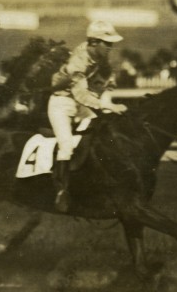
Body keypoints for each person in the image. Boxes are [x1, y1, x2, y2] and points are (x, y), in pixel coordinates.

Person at [48, 20, 128, 212]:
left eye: (111, 43)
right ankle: (61, 191)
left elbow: (108, 86)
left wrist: (107, 103)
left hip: (82, 105)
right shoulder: (78, 60)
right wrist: (108, 106)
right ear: (93, 42)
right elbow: (81, 95)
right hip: (62, 103)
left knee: (101, 133)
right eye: (107, 43)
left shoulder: (102, 60)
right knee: (66, 145)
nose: (110, 47)